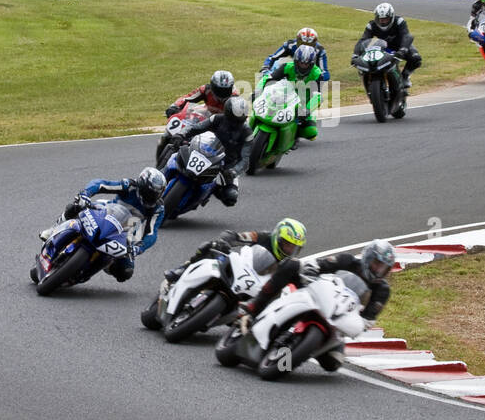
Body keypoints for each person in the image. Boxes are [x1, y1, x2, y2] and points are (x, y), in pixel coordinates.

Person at [241, 239, 398, 336]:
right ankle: (254, 307)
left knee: (333, 363)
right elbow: (318, 265)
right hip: (319, 296)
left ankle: (300, 346)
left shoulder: (382, 290)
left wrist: (357, 320)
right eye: (377, 264)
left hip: (339, 322)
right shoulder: (347, 261)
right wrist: (311, 271)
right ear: (368, 258)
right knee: (291, 265)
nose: (379, 270)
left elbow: (368, 320)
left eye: (384, 268)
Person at [39, 167, 167, 282]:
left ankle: (106, 263)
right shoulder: (129, 186)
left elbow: (152, 233)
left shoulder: (158, 208)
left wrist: (139, 248)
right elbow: (101, 184)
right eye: (149, 193)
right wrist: (85, 194)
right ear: (141, 185)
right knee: (75, 207)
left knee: (125, 272)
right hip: (106, 212)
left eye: (155, 194)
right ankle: (53, 229)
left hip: (127, 231)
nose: (151, 198)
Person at [162, 217, 307, 285]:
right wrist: (228, 240)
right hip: (239, 269)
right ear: (277, 237)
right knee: (211, 246)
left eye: (293, 247)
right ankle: (182, 269)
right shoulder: (263, 237)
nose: (289, 249)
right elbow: (239, 237)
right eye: (287, 244)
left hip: (255, 290)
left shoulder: (289, 265)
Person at [180, 95, 251, 206]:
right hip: (207, 150)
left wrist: (234, 171)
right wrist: (182, 134)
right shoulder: (217, 119)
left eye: (238, 122)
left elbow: (245, 159)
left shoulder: (247, 133)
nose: (234, 125)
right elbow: (197, 127)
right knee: (177, 149)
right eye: (232, 120)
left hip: (227, 166)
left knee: (230, 197)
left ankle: (209, 191)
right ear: (227, 115)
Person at [352, 2, 421, 91]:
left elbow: (406, 36)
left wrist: (402, 50)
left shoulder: (399, 21)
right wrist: (355, 54)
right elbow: (363, 40)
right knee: (371, 64)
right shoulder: (371, 25)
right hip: (385, 48)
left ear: (391, 17)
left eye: (386, 19)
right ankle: (374, 83)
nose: (383, 21)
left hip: (401, 46)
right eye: (380, 19)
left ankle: (405, 76)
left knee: (416, 58)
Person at [263, 44, 323, 142]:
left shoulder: (317, 74)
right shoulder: (287, 67)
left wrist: (307, 110)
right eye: (300, 63)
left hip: (302, 105)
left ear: (311, 64)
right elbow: (269, 79)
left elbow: (318, 96)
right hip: (283, 99)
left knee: (311, 133)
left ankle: (294, 135)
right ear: (295, 61)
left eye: (306, 64)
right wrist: (259, 92)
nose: (303, 66)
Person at [262, 27, 330, 82]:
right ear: (297, 41)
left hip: (310, 74)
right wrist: (266, 69)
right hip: (292, 70)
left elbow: (325, 72)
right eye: (302, 44)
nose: (305, 48)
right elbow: (273, 57)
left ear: (314, 44)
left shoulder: (320, 51)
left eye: (310, 45)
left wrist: (319, 79)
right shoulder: (290, 45)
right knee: (279, 63)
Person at [166, 70, 237, 117]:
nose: (222, 93)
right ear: (212, 85)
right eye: (219, 89)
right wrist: (174, 106)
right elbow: (187, 98)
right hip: (206, 120)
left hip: (224, 125)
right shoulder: (205, 90)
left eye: (225, 90)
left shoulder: (235, 98)